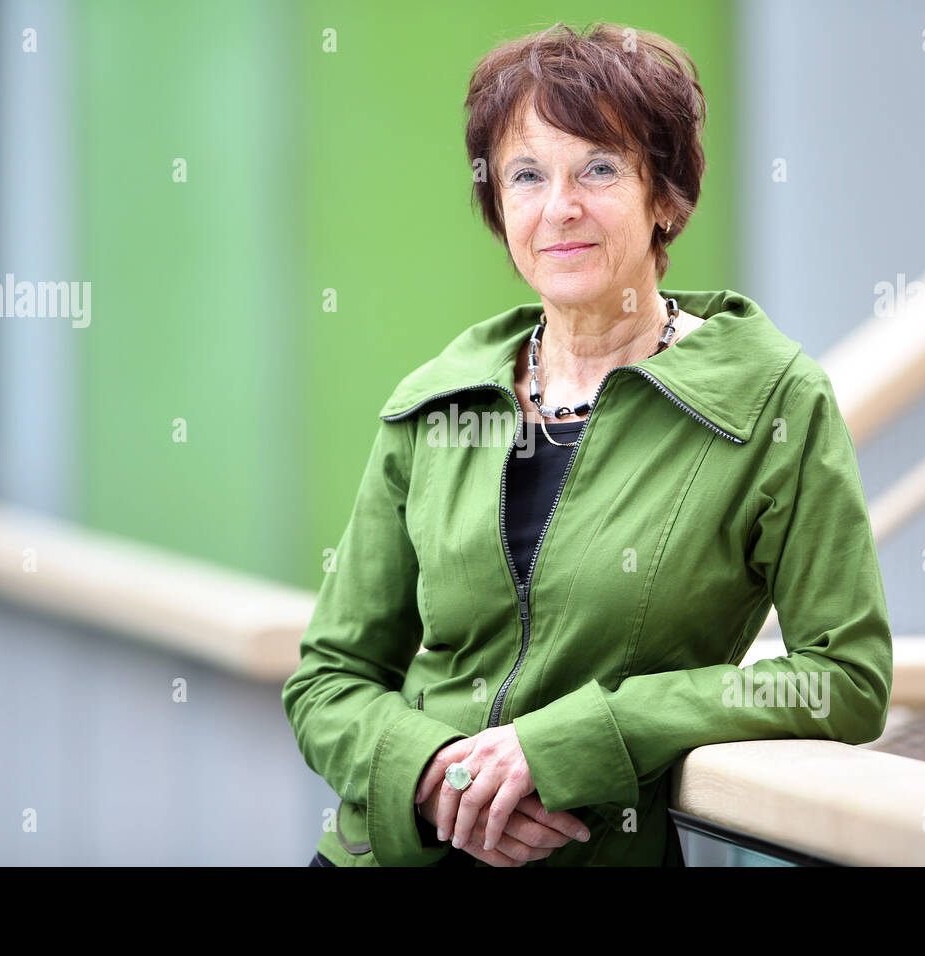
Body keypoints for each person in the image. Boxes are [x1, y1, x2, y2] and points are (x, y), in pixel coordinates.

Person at [283, 20, 892, 867]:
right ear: (499, 204)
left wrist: (574, 743)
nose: (559, 206)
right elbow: (327, 679)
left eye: (599, 168)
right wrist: (432, 778)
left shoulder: (773, 402)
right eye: (526, 175)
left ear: (666, 198)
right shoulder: (436, 403)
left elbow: (843, 680)